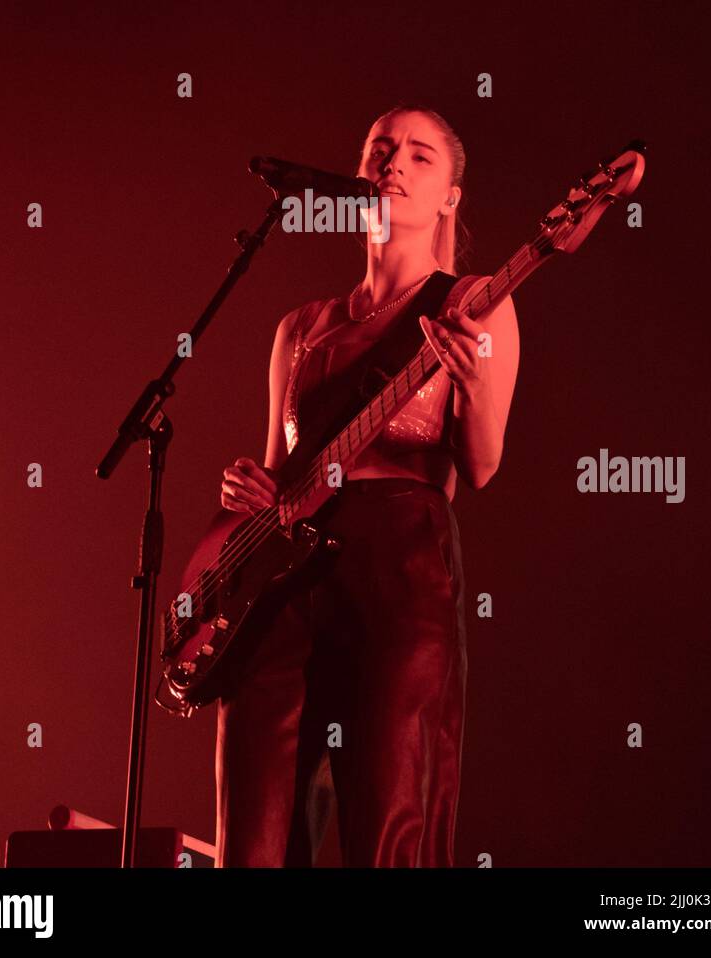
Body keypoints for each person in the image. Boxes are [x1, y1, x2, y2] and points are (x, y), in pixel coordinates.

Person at [215, 103, 520, 867]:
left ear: (450, 195)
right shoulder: (300, 327)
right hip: (285, 581)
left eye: (419, 156)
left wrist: (473, 386)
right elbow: (279, 478)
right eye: (379, 149)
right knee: (252, 830)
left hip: (397, 563)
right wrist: (249, 490)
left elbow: (480, 467)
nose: (392, 163)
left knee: (388, 819)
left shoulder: (475, 301)